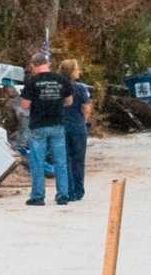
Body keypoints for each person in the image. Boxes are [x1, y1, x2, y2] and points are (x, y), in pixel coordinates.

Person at [20, 54, 72, 206]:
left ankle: (38, 196)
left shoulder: (32, 81)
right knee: (60, 161)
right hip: (57, 124)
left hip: (38, 126)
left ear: (34, 65)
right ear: (47, 64)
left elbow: (24, 105)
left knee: (37, 161)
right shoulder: (61, 79)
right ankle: (63, 195)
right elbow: (69, 101)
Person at [61, 57, 95, 204]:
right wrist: (85, 121)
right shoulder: (80, 88)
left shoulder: (57, 87)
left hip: (61, 125)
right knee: (78, 159)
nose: (79, 71)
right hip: (77, 125)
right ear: (71, 71)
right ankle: (78, 190)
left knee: (64, 159)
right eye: (76, 69)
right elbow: (87, 107)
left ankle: (68, 191)